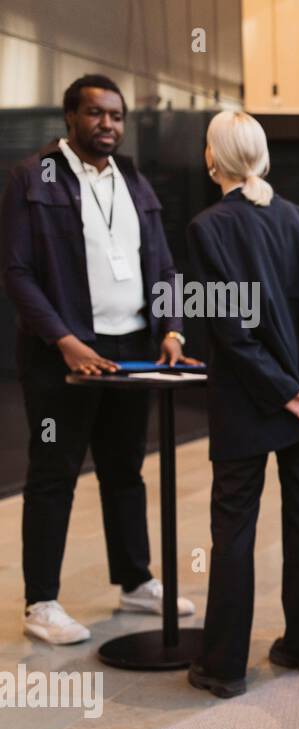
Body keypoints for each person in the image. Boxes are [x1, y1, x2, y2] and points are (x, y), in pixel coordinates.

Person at [1, 73, 200, 646]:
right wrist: (64, 339)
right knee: (53, 476)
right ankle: (41, 603)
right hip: (62, 356)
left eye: (116, 115)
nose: (108, 124)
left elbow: (163, 265)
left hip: (131, 352)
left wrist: (172, 329)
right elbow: (15, 272)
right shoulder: (32, 177)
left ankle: (135, 581)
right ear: (70, 117)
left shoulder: (133, 179)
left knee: (124, 471)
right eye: (96, 114)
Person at [184, 111, 299, 698]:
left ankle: (225, 667)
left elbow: (229, 333)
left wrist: (286, 392)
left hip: (249, 405)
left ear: (215, 160)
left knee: (233, 529)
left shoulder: (209, 228)